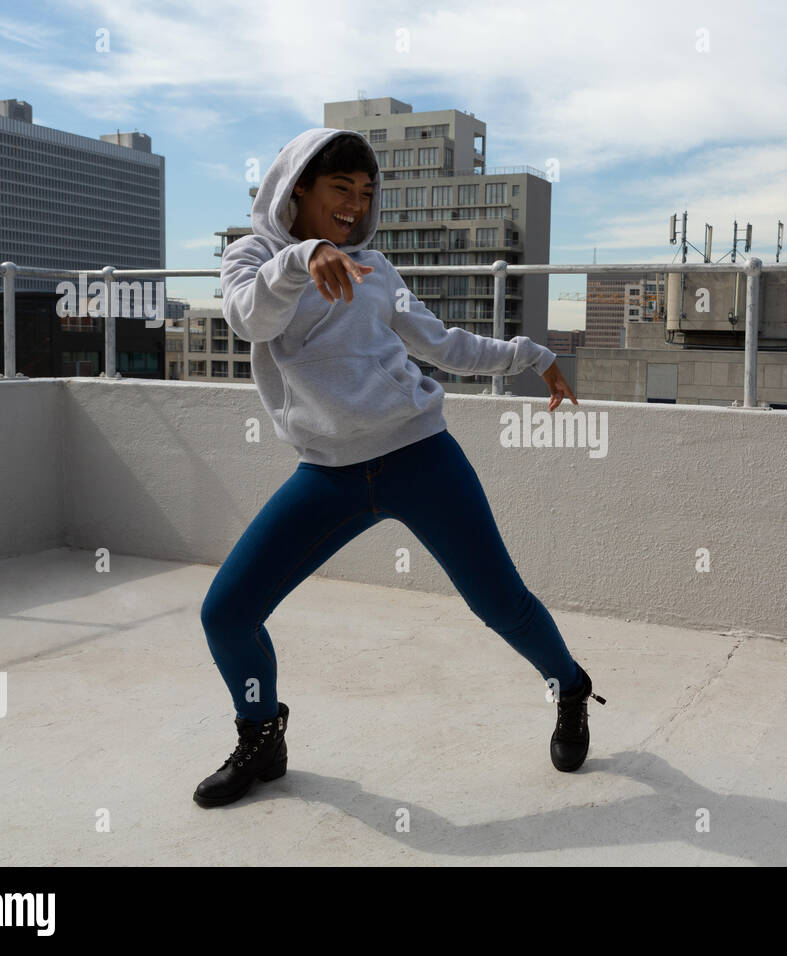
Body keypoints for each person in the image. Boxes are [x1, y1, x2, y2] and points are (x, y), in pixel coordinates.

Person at [194, 128, 604, 808]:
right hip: (329, 472)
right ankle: (261, 731)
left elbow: (441, 345)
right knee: (227, 613)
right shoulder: (255, 257)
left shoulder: (377, 270)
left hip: (419, 454)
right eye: (339, 190)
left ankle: (571, 686)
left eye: (364, 193)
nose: (354, 207)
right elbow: (249, 320)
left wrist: (532, 355)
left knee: (500, 602)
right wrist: (304, 258)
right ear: (298, 186)